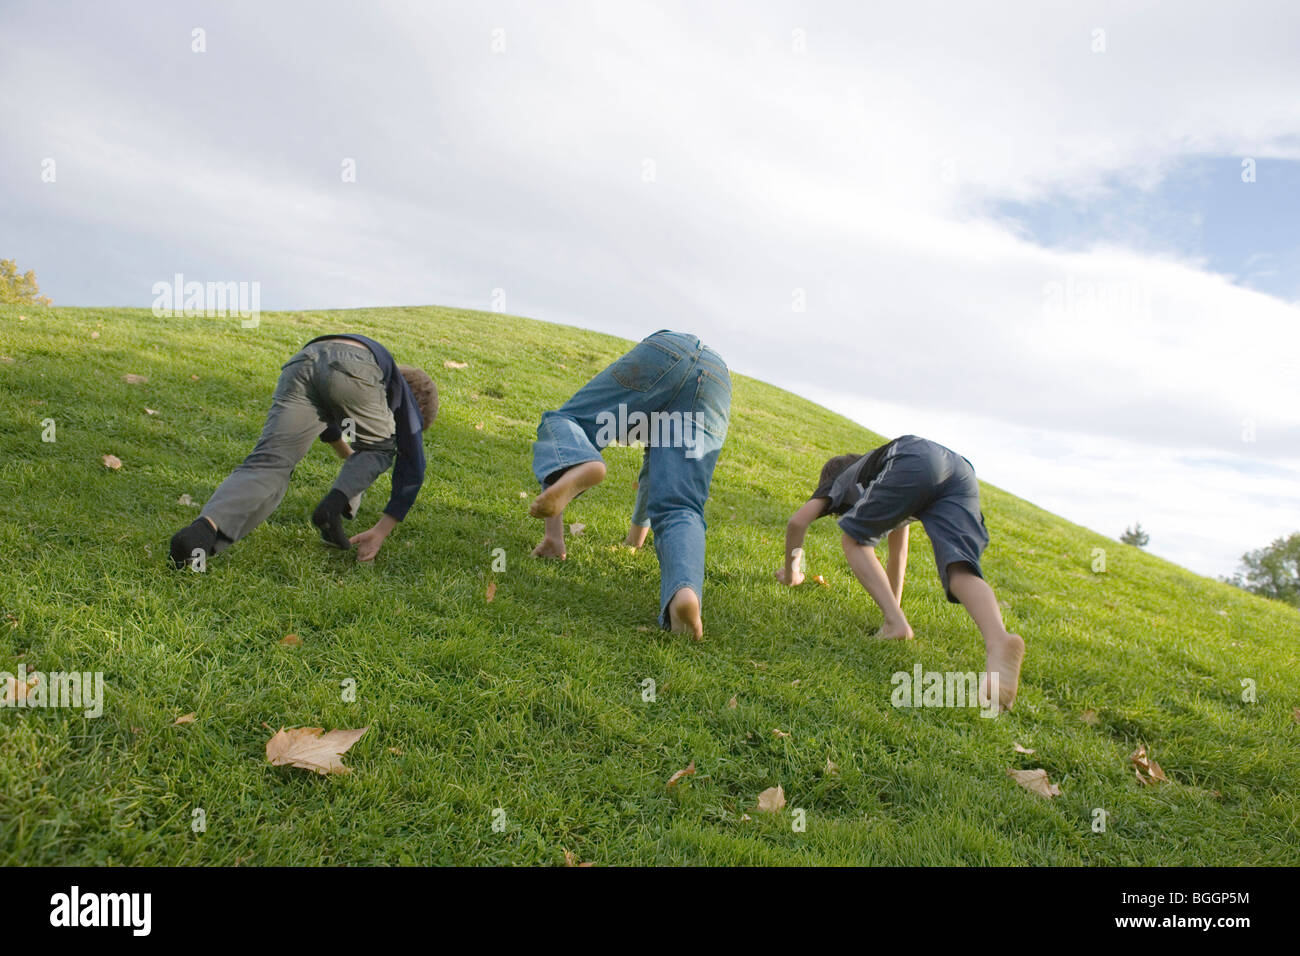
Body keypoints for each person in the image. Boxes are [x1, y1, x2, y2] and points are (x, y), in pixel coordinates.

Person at [777, 435, 1024, 711]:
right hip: (960, 471)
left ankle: (897, 625)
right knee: (959, 567)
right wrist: (891, 608)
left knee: (853, 540)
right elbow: (898, 555)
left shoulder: (843, 477)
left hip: (915, 456)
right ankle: (998, 640)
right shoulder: (892, 484)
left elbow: (797, 522)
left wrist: (792, 574)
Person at [168, 334, 436, 568]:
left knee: (270, 464)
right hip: (353, 363)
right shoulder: (405, 397)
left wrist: (354, 466)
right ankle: (328, 510)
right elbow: (412, 466)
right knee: (382, 447)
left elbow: (335, 426)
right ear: (418, 408)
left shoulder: (364, 388)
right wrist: (379, 530)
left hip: (303, 361)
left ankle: (201, 533)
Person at [528, 330, 730, 638]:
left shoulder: (637, 415)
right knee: (681, 503)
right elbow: (653, 475)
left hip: (665, 351)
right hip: (716, 379)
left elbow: (648, 472)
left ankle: (583, 464)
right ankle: (684, 593)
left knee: (570, 423)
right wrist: (634, 542)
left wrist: (555, 539)